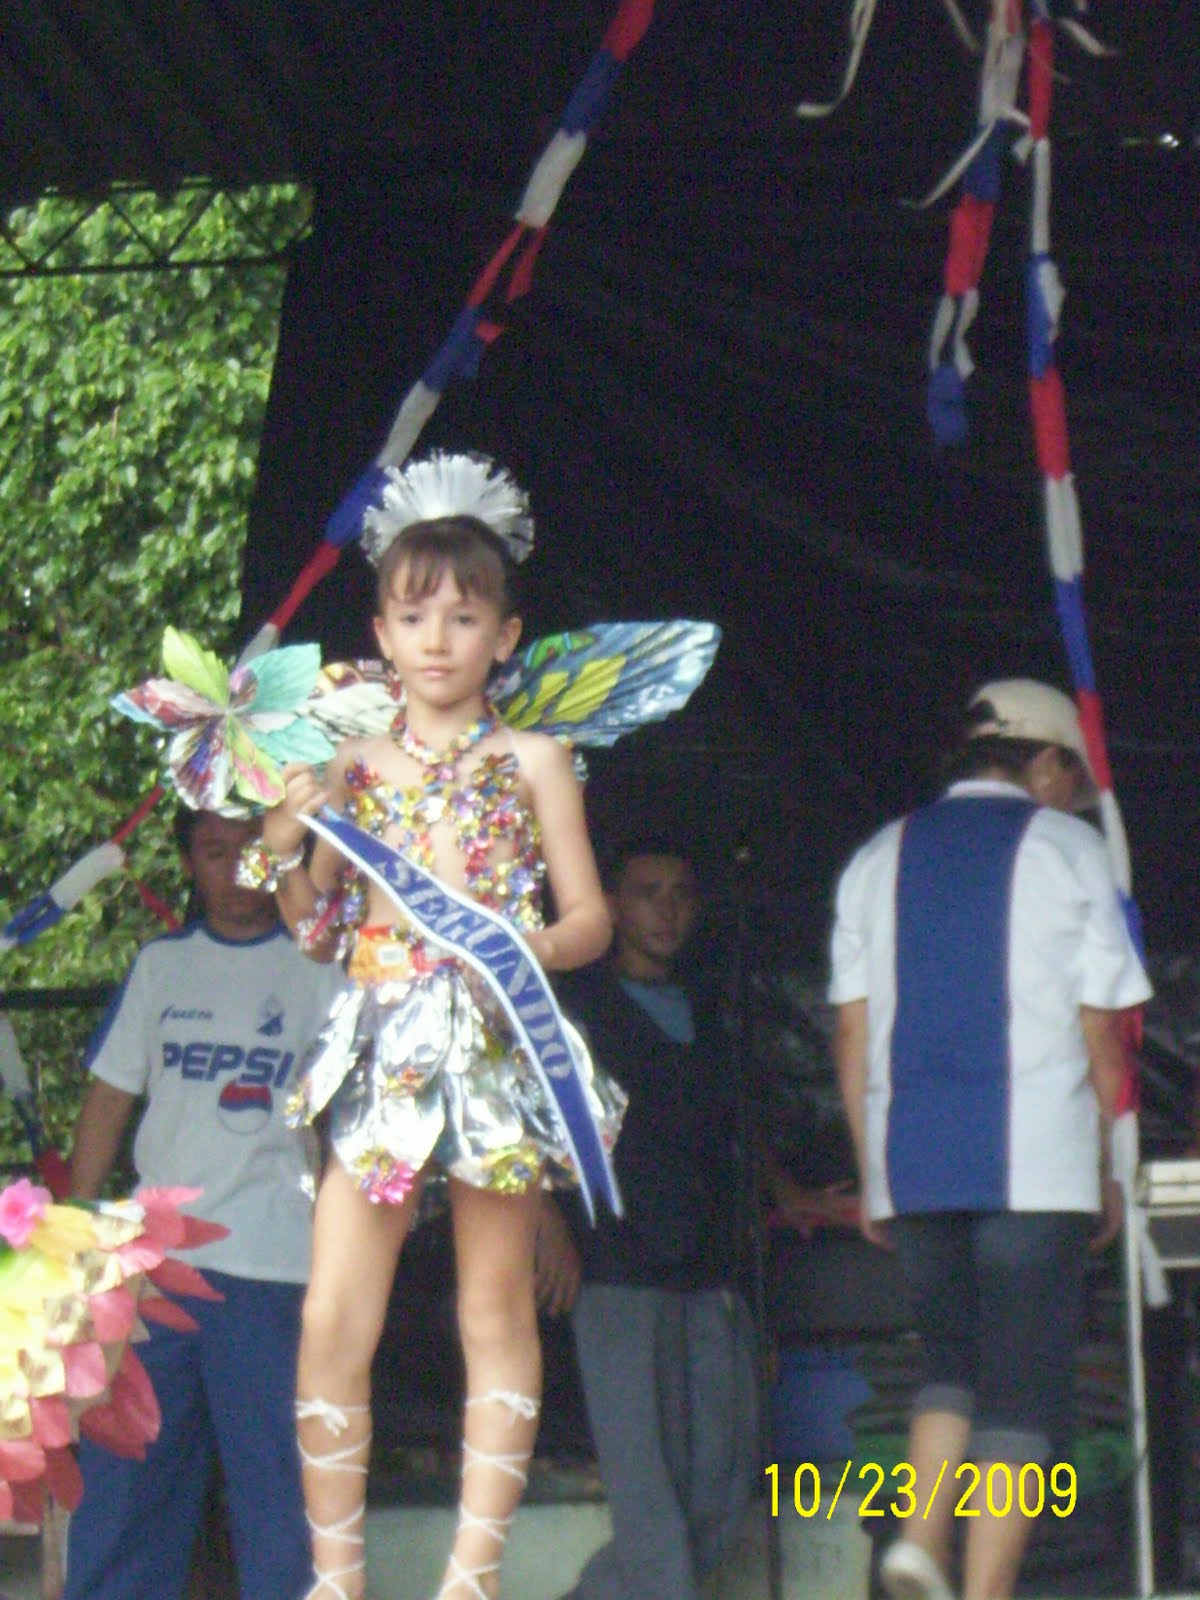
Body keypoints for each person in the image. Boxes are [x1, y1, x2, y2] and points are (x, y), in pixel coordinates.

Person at [254, 453, 622, 1600]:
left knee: (492, 1306)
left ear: (505, 636)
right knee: (332, 1311)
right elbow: (317, 932)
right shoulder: (346, 768)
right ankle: (337, 1577)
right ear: (380, 630)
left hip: (495, 1047)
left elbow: (592, 918)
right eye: (414, 617)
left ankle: (473, 1574)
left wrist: (523, 952)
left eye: (464, 618)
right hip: (376, 1050)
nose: (437, 639)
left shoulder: (538, 759)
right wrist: (283, 850)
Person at [828, 679, 1151, 1600]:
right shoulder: (1070, 848)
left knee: (950, 1366)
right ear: (1044, 764)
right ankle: (983, 1593)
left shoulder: (875, 857)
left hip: (916, 1164)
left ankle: (922, 1541)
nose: (1073, 798)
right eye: (1072, 779)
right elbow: (1101, 1027)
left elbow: (850, 1032)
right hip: (1038, 1164)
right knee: (1021, 1390)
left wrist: (874, 1172)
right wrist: (1112, 1162)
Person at [64, 805, 344, 1600]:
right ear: (189, 864)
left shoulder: (321, 966)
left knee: (282, 1493)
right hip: (154, 1268)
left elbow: (348, 1126)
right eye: (214, 852)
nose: (234, 871)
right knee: (127, 1488)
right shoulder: (162, 966)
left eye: (250, 849)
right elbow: (108, 1102)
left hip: (276, 1265)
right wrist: (74, 1246)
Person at [537, 841, 823, 1600]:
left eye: (681, 893)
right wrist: (546, 1224)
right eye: (647, 892)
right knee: (648, 1497)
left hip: (712, 1267)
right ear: (611, 905)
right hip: (616, 1264)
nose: (667, 910)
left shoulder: (711, 1009)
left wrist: (785, 1190)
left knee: (722, 1492)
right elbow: (531, 1125)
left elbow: (733, 1119)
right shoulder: (578, 1009)